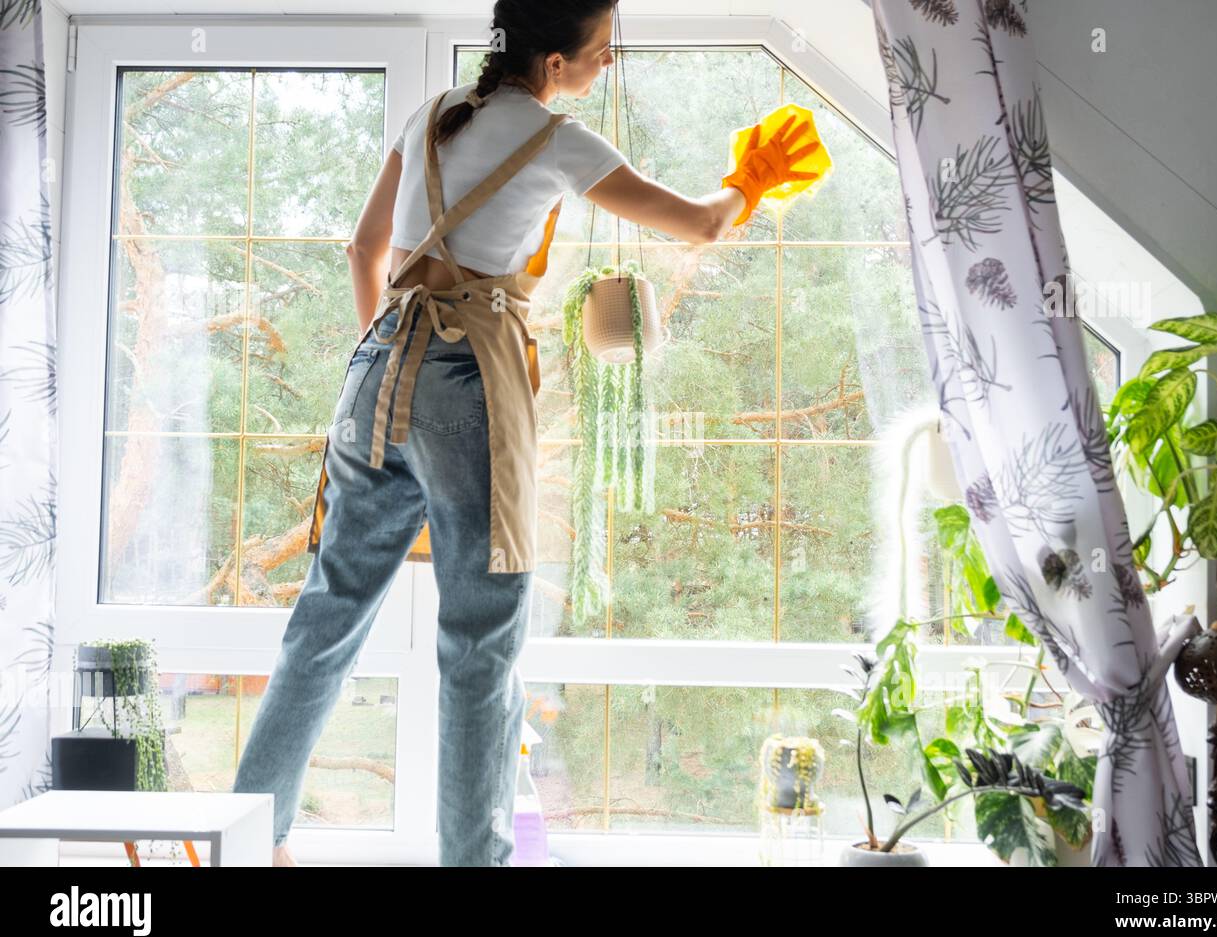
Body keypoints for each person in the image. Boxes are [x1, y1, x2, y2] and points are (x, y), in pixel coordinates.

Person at [232, 0, 817, 867]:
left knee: (326, 618)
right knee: (480, 639)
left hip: (374, 369)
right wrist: (753, 177)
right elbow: (699, 222)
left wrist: (399, 367)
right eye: (601, 52)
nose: (607, 65)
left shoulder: (431, 113)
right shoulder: (558, 140)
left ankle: (250, 839)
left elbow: (364, 252)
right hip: (467, 381)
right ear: (552, 65)